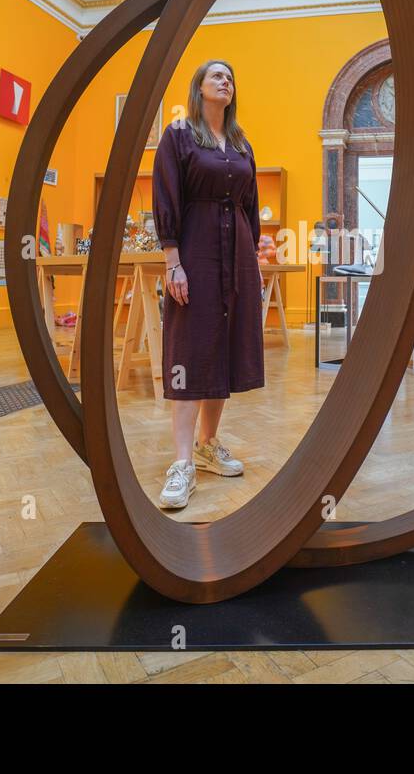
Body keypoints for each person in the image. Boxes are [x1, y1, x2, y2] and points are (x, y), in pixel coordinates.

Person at [151, 59, 265, 509]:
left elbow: (251, 207)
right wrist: (173, 262)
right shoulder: (178, 135)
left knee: (223, 348)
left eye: (231, 77)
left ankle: (207, 445)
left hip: (235, 254)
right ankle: (181, 463)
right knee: (191, 349)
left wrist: (251, 262)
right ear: (198, 87)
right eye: (217, 75)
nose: (226, 81)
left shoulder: (240, 142)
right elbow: (166, 195)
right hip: (195, 251)